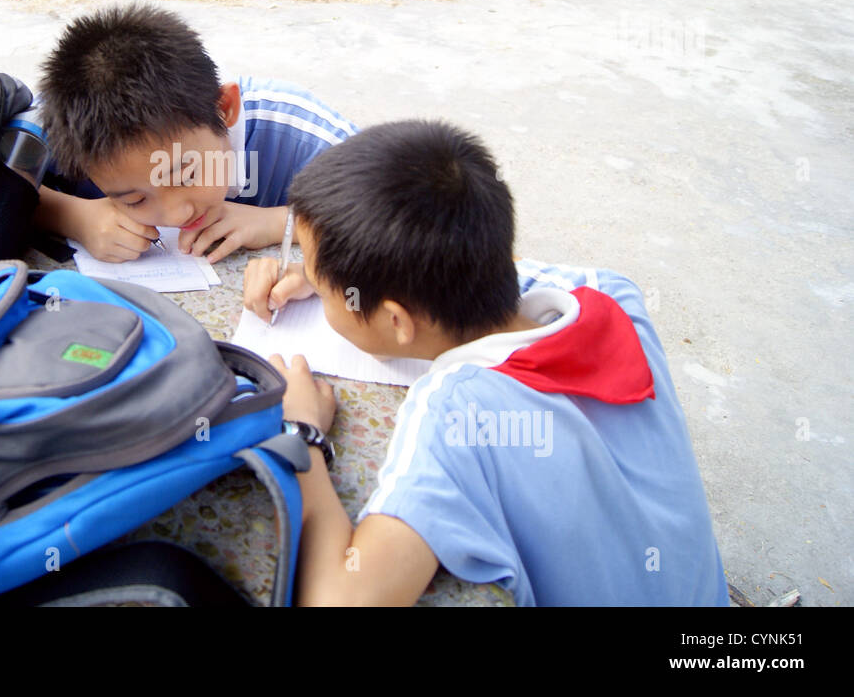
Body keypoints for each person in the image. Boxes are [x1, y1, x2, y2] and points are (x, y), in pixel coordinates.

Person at [243, 119, 729, 606]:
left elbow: (342, 602)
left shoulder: (457, 412)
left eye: (322, 286)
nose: (308, 279)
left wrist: (301, 433)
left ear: (397, 321)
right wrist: (343, 276)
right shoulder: (614, 296)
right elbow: (477, 261)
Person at [33, 3, 357, 262]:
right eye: (134, 200)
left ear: (225, 108)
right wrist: (72, 216)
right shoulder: (75, 127)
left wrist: (281, 223)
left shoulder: (295, 131)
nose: (178, 214)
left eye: (187, 176)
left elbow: (400, 208)